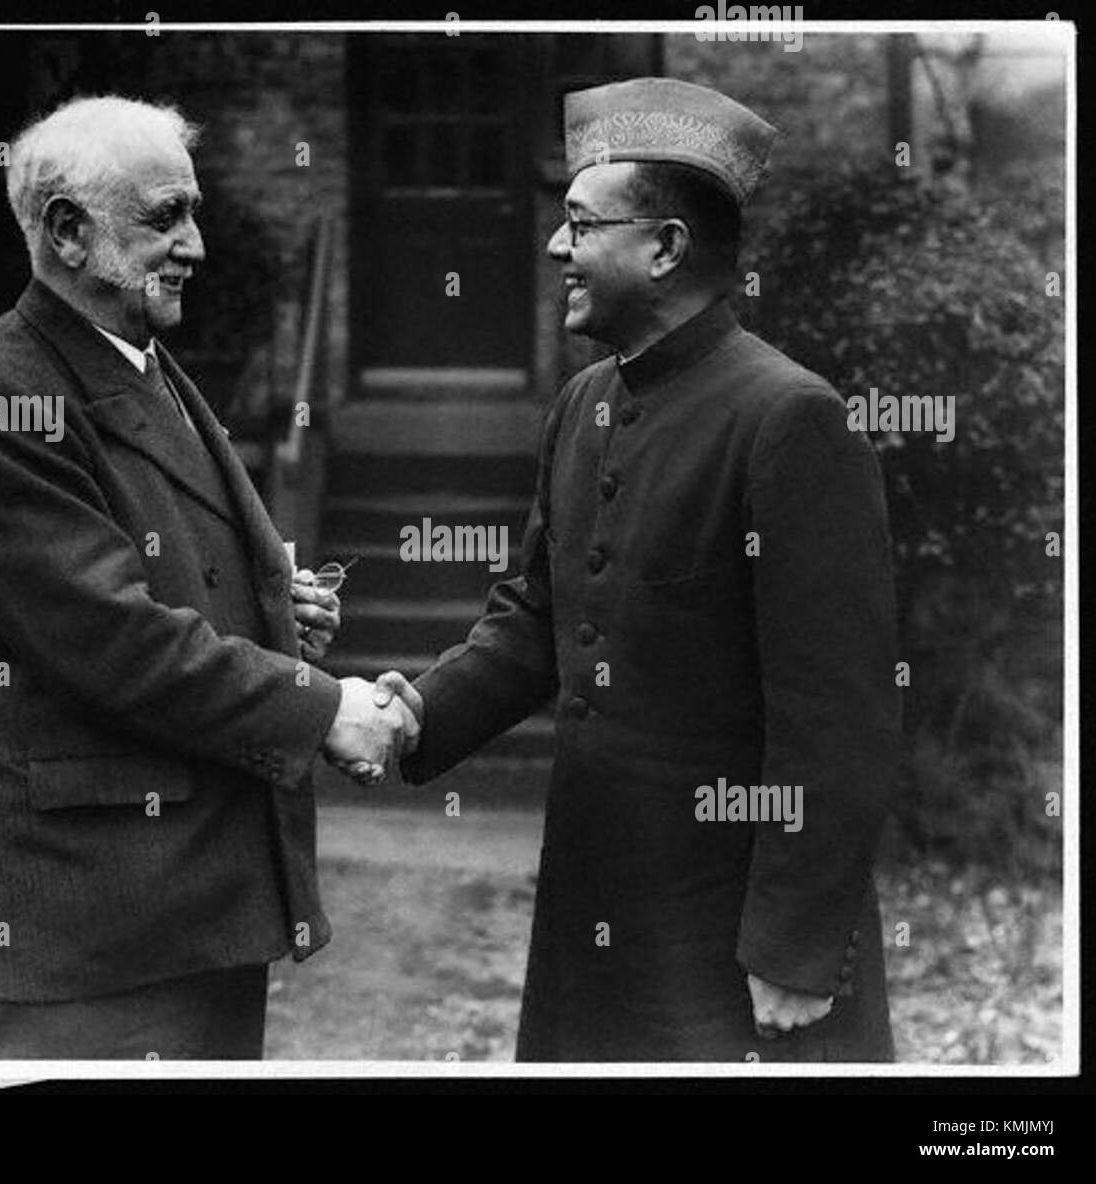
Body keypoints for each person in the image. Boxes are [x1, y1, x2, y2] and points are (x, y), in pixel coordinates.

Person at [378, 78, 902, 1062]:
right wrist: (415, 715)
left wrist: (791, 946)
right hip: (597, 908)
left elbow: (839, 719)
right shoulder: (582, 402)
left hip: (731, 941)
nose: (554, 246)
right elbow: (534, 616)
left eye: (579, 222)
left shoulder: (790, 418)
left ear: (664, 247)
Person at [0, 95, 416, 1059]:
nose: (194, 245)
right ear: (67, 230)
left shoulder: (143, 363)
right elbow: (113, 641)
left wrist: (274, 604)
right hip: (95, 928)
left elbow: (171, 572)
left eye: (193, 214)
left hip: (192, 906)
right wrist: (323, 708)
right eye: (163, 218)